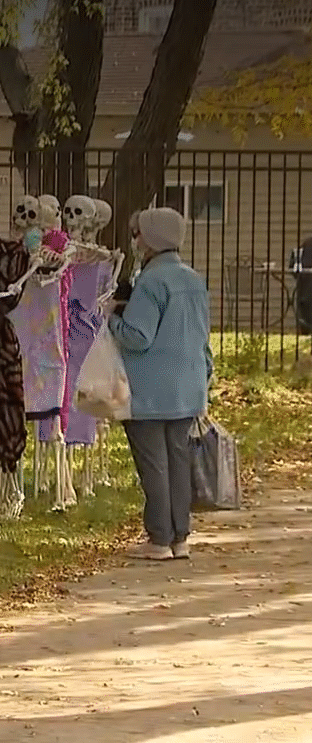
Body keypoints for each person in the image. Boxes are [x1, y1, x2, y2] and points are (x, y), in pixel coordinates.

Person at [105, 207, 214, 561]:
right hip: (188, 386)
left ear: (151, 238)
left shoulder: (152, 282)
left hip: (150, 389)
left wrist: (111, 318)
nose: (135, 241)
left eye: (138, 234)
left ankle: (158, 539)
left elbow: (138, 337)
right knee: (178, 463)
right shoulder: (193, 279)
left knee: (154, 465)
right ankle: (180, 537)